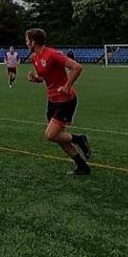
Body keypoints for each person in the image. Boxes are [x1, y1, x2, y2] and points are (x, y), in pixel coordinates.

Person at [25, 28, 92, 175]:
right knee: (58, 138)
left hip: (66, 101)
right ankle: (82, 166)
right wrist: (36, 79)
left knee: (50, 135)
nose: (26, 43)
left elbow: (77, 67)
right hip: (52, 101)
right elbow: (44, 78)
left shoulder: (52, 54)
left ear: (33, 41)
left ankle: (80, 139)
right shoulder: (35, 58)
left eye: (27, 40)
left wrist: (67, 86)